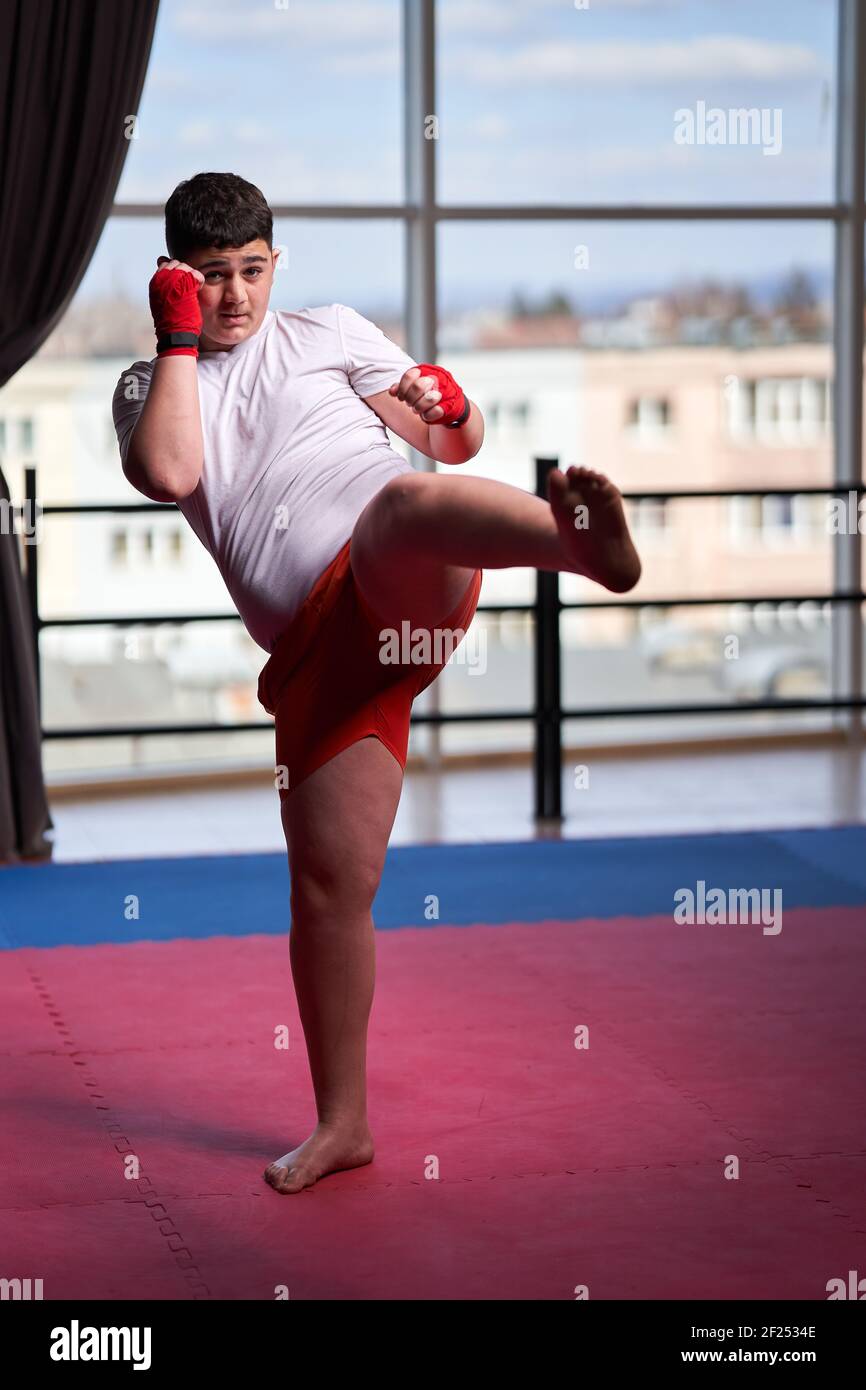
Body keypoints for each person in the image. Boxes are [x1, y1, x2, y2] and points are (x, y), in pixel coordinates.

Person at [113, 171, 641, 1195]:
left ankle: (580, 550)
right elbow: (172, 474)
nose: (236, 298)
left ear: (277, 264)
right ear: (175, 279)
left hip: (398, 581)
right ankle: (342, 1124)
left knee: (403, 501)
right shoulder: (150, 386)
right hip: (322, 661)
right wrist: (175, 343)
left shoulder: (329, 333)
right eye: (211, 278)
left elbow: (450, 446)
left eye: (252, 272)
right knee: (327, 888)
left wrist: (452, 405)